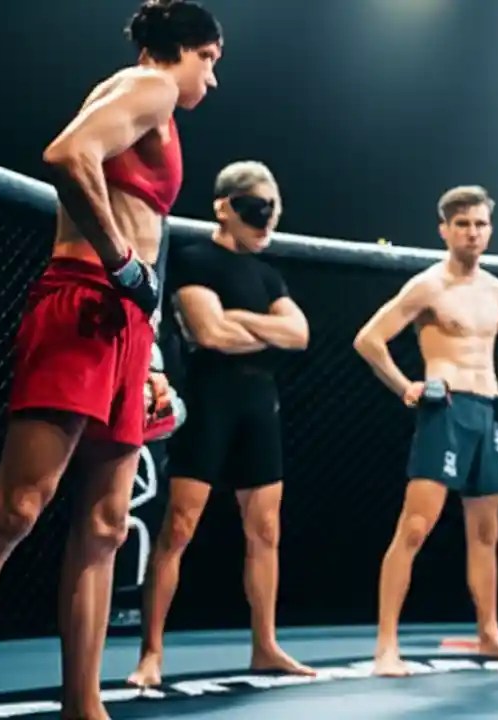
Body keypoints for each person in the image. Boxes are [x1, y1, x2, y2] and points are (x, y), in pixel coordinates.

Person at [0, 3, 221, 718]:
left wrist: (147, 354)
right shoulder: (148, 86)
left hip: (124, 325)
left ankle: (84, 707)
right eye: (211, 59)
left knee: (108, 522)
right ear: (186, 49)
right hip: (84, 301)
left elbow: (143, 234)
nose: (214, 76)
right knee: (17, 508)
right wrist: (119, 263)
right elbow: (65, 155)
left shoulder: (154, 106)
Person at [126, 161, 312, 687]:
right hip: (211, 398)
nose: (267, 222)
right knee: (179, 526)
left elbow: (299, 334)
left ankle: (266, 646)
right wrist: (263, 329)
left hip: (259, 401)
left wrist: (242, 322)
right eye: (256, 210)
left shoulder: (268, 273)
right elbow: (209, 333)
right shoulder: (194, 258)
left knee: (267, 530)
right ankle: (151, 654)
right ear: (224, 208)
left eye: (273, 211)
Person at [354, 185, 498, 677]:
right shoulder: (428, 286)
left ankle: (490, 633)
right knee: (414, 527)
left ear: (489, 229)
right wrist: (405, 386)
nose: (472, 233)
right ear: (444, 230)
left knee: (487, 532)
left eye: (479, 224)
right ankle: (385, 646)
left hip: (487, 411)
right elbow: (369, 339)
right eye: (462, 224)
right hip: (446, 409)